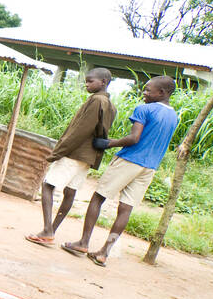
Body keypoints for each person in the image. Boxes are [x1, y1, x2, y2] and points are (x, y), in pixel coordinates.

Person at [63, 75, 180, 266]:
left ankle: (83, 243)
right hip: (149, 167)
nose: (144, 93)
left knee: (98, 197)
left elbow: (134, 138)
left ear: (162, 93)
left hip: (129, 160)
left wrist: (109, 143)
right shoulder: (173, 115)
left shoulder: (144, 109)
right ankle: (103, 252)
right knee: (125, 208)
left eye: (148, 90)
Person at [26, 67, 115, 246]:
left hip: (75, 152)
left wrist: (57, 153)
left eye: (90, 81)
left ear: (103, 82)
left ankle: (47, 230)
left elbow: (80, 131)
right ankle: (51, 230)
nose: (86, 84)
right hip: (88, 156)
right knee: (70, 191)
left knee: (48, 185)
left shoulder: (96, 100)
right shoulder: (110, 105)